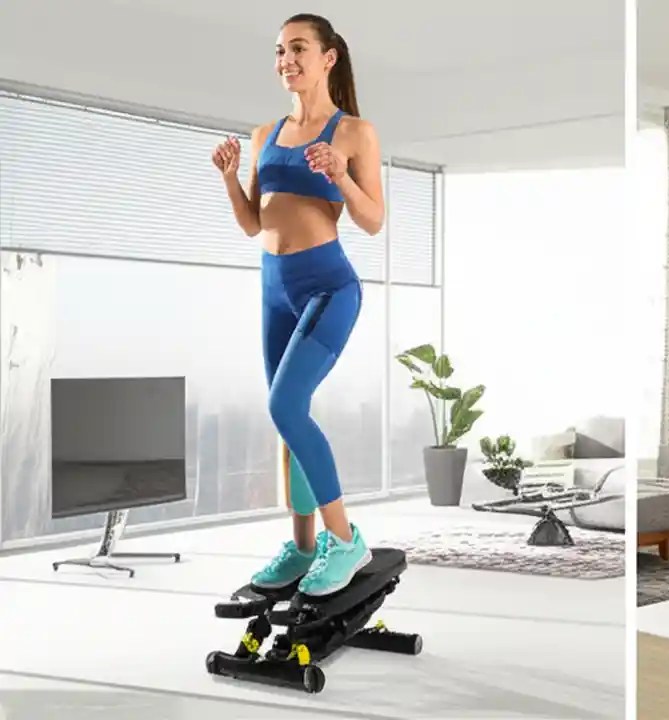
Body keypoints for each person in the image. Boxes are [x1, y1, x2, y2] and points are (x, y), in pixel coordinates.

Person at [211, 13, 385, 595]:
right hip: (273, 287)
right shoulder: (265, 134)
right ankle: (304, 545)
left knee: (285, 406)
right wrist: (232, 178)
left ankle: (346, 541)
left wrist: (341, 175)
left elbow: (373, 221)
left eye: (299, 48)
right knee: (289, 424)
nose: (287, 59)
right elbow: (253, 223)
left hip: (329, 287)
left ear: (329, 57)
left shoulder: (353, 133)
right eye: (280, 50)